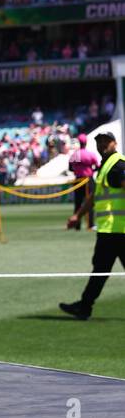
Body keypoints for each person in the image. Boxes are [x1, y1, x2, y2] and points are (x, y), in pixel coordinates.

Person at [60, 131, 124, 320]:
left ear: (114, 143)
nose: (102, 144)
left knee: (100, 270)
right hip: (110, 230)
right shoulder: (106, 165)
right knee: (100, 270)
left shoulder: (117, 165)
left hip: (118, 230)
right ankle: (85, 306)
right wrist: (78, 216)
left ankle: (85, 306)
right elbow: (95, 196)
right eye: (99, 142)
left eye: (106, 141)